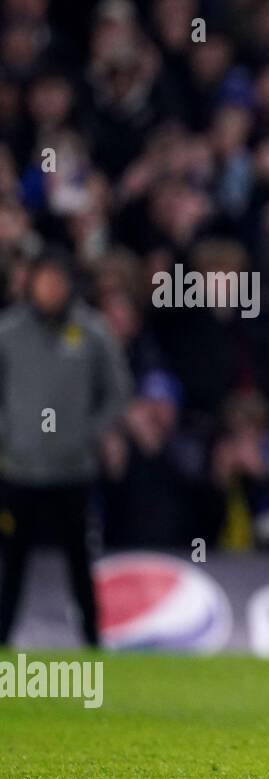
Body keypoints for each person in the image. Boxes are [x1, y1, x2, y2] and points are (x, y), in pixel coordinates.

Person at [0, 250, 130, 647]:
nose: (50, 288)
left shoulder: (92, 332)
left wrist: (88, 432)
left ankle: (92, 644)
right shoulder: (8, 332)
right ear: (30, 283)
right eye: (43, 279)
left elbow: (119, 391)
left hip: (74, 470)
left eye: (58, 280)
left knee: (79, 562)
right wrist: (8, 434)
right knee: (12, 563)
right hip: (19, 470)